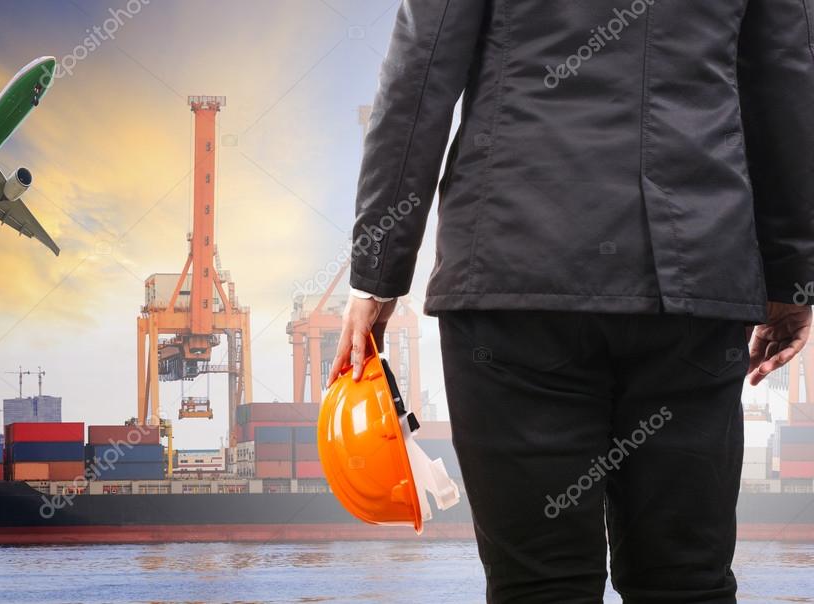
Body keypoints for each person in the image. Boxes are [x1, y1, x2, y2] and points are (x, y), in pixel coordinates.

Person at [329, 1, 814, 602]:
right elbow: (787, 85)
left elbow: (419, 74)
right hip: (690, 280)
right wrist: (792, 279)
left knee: (539, 586)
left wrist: (377, 276)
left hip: (514, 280)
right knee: (687, 581)